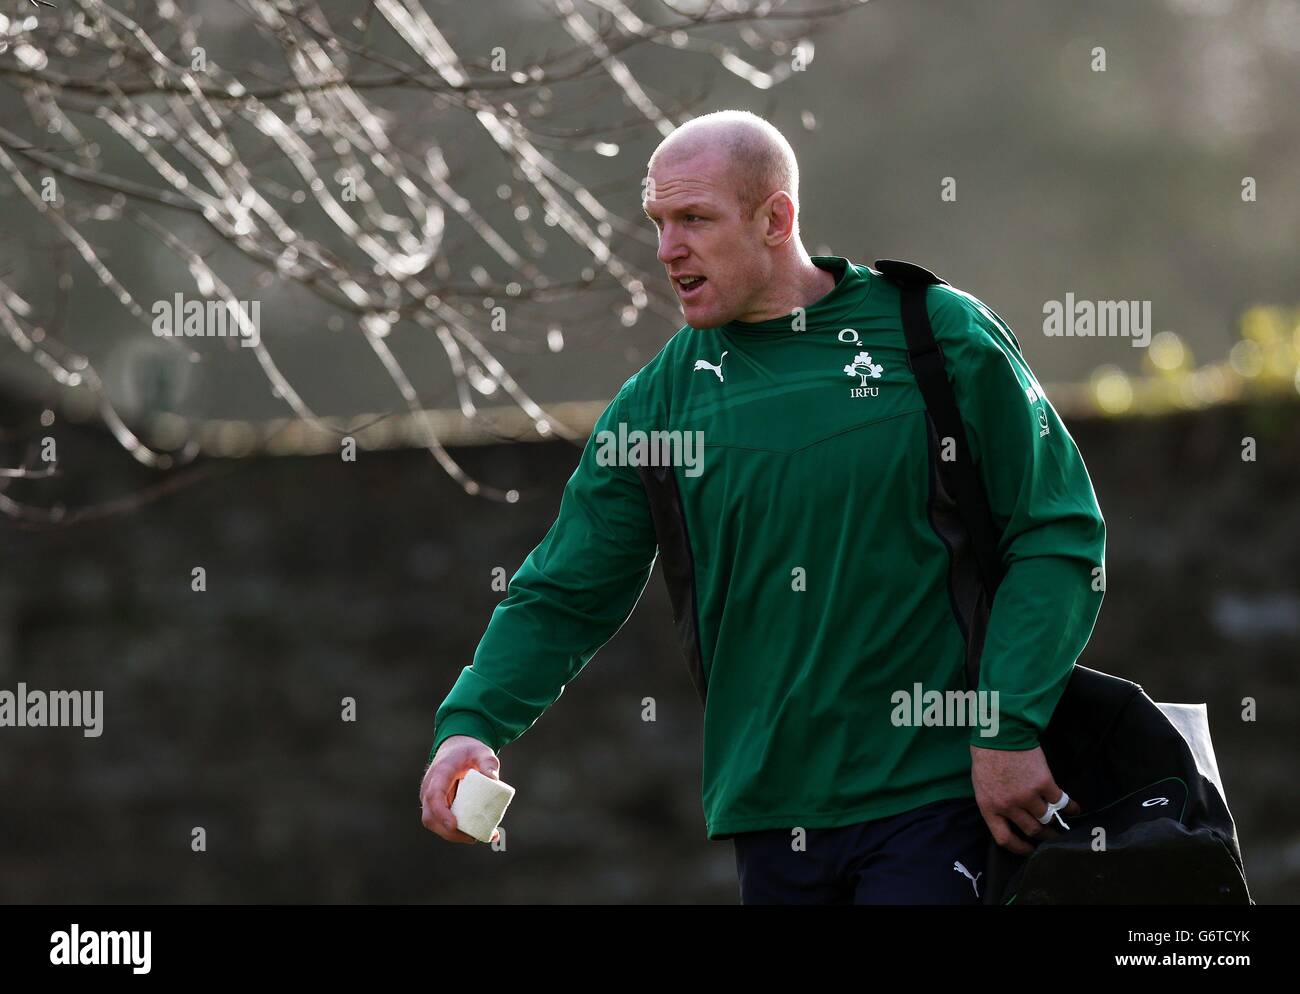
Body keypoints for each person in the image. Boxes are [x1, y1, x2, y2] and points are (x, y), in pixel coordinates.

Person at [419, 109, 1106, 904]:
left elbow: (1056, 531)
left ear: (776, 218)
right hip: (772, 818)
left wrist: (1007, 726)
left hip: (936, 796)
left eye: (695, 220)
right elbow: (567, 589)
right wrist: (471, 723)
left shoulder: (935, 336)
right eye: (659, 222)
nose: (668, 249)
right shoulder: (660, 403)